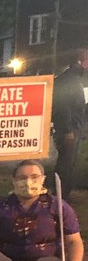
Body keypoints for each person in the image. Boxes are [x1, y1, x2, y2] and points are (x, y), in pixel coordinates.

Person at [0, 160, 83, 261]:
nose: (28, 182)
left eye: (34, 177)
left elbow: (74, 241)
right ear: (14, 180)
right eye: (22, 178)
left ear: (43, 179)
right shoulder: (0, 206)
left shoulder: (57, 205)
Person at [53, 48, 88, 198]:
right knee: (65, 164)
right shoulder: (69, 78)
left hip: (76, 126)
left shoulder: (78, 78)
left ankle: (62, 194)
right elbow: (63, 106)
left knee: (69, 163)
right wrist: (68, 130)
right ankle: (59, 196)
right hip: (69, 129)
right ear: (80, 60)